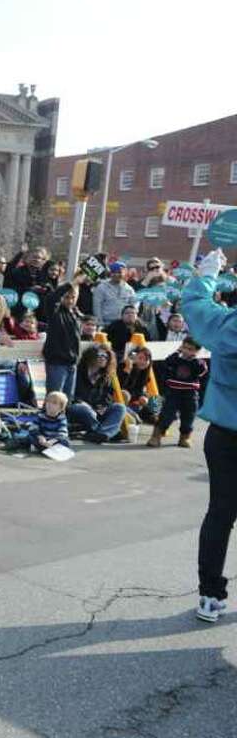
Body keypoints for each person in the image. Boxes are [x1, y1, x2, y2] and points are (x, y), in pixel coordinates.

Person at [179, 249, 237, 622]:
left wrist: (208, 272)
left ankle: (209, 597)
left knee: (220, 514)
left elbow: (194, 302)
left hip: (225, 435)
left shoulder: (227, 325)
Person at [147, 337, 208, 449]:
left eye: (190, 349)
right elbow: (167, 362)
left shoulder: (198, 363)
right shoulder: (176, 359)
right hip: (173, 391)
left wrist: (195, 359)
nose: (186, 351)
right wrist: (177, 352)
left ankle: (185, 437)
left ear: (196, 351)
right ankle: (156, 435)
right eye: (184, 347)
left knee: (188, 415)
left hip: (190, 393)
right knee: (167, 414)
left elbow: (202, 371)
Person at [68, 343, 126, 444]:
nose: (103, 358)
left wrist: (103, 406)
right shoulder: (77, 371)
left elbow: (107, 398)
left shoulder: (106, 376)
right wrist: (81, 402)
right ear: (91, 355)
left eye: (106, 357)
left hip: (97, 411)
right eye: (100, 355)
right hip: (80, 408)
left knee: (120, 407)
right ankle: (108, 433)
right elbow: (70, 394)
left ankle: (100, 434)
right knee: (84, 409)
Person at [42, 283, 82, 399]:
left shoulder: (75, 314)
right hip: (57, 363)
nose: (70, 301)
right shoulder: (55, 312)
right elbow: (51, 300)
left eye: (73, 297)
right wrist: (70, 283)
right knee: (54, 399)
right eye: (67, 297)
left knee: (67, 400)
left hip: (72, 363)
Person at [120, 345, 162, 425]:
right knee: (134, 418)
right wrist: (127, 370)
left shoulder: (144, 372)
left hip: (134, 402)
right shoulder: (125, 367)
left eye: (146, 359)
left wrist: (143, 396)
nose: (143, 362)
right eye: (140, 358)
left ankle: (155, 417)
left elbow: (139, 390)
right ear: (134, 358)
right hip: (121, 401)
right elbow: (120, 388)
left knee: (156, 399)